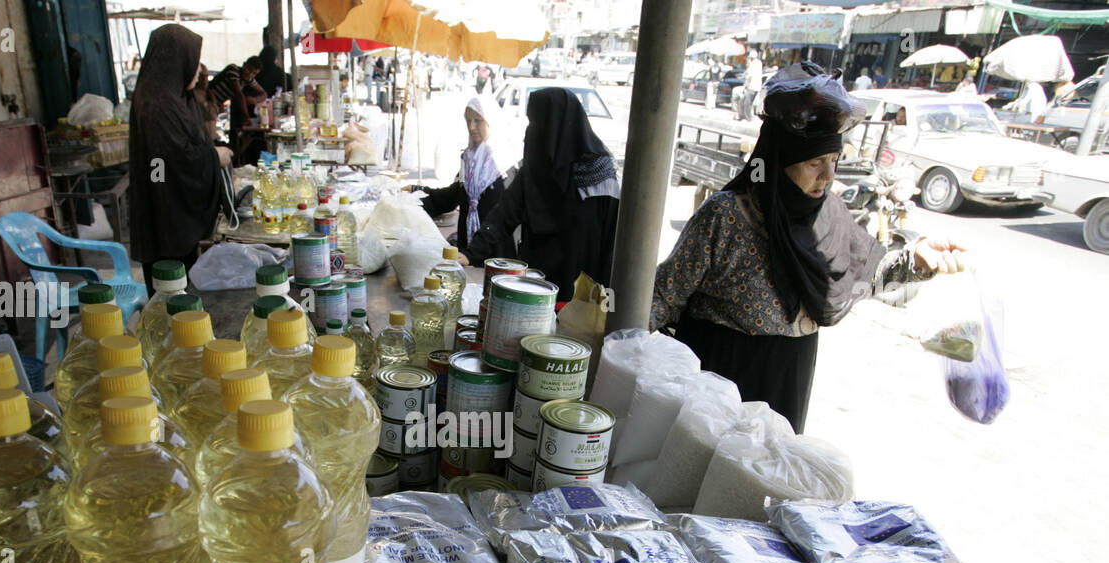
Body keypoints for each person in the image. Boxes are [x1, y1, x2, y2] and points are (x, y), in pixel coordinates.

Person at [648, 64, 966, 433]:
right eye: (815, 163)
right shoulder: (726, 216)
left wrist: (918, 259)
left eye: (833, 161)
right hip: (720, 379)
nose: (828, 177)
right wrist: (616, 347)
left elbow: (866, 275)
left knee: (767, 478)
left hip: (788, 378)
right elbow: (664, 295)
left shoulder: (830, 215)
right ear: (781, 162)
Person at [466, 88, 621, 301]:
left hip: (582, 290)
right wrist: (471, 252)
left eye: (539, 123)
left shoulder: (598, 175)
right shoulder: (535, 168)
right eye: (531, 122)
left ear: (559, 126)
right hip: (537, 283)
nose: (531, 132)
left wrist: (608, 299)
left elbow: (612, 244)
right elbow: (504, 213)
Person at [129, 24, 230, 291]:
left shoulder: (175, 98)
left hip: (174, 216)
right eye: (194, 62)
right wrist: (214, 157)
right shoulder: (156, 105)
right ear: (176, 60)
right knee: (173, 300)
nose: (198, 71)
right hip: (166, 218)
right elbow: (172, 162)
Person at [412, 97, 509, 258]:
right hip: (468, 248)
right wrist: (416, 194)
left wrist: (474, 253)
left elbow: (504, 217)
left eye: (478, 121)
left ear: (491, 122)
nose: (472, 127)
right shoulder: (469, 159)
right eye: (468, 121)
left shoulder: (503, 165)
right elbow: (454, 195)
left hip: (493, 251)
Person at [743, 51, 764, 120]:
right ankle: (750, 116)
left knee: (747, 103)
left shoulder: (752, 64)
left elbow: (750, 76)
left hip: (751, 86)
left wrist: (747, 85)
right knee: (751, 102)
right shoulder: (759, 63)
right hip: (757, 87)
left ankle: (748, 117)